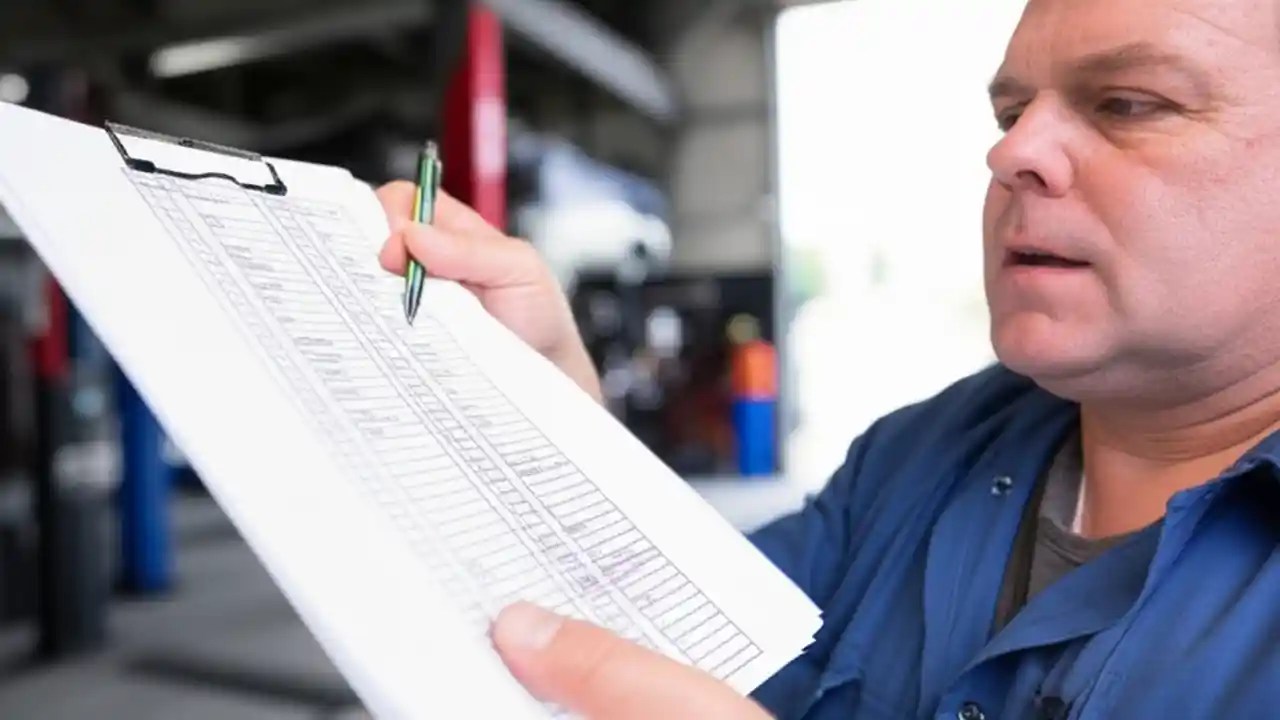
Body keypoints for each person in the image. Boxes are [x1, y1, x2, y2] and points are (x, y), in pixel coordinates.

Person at [376, 0, 1280, 716]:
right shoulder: (918, 456)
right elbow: (676, 642)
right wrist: (553, 407)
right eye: (1011, 111)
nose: (1011, 151)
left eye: (1129, 104)